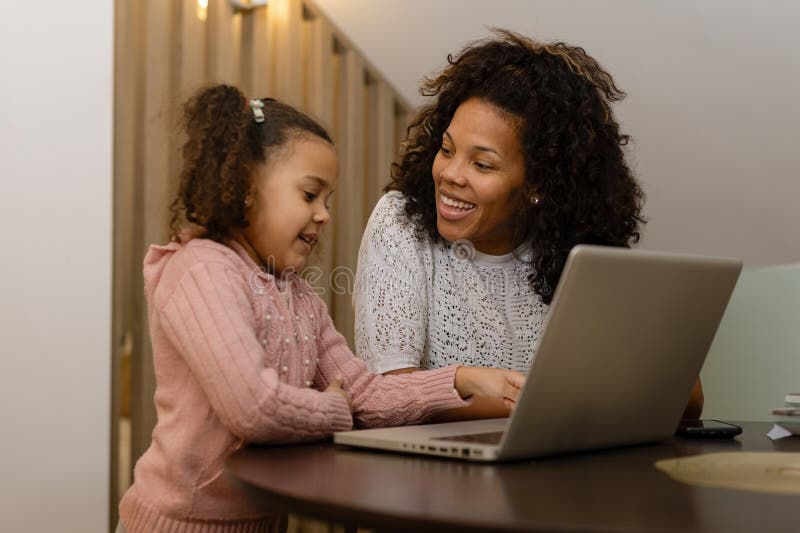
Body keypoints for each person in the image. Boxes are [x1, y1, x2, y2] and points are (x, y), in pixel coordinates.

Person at [117, 84, 526, 533]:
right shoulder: (201, 269)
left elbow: (367, 396)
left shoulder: (297, 295)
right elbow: (253, 408)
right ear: (246, 188)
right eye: (310, 195)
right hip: (180, 523)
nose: (324, 214)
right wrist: (333, 409)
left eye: (327, 200)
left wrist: (461, 378)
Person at [355, 30, 704, 421]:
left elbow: (687, 395)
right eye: (447, 150)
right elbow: (387, 397)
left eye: (482, 164)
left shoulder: (578, 247)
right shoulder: (402, 223)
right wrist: (556, 406)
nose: (450, 175)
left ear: (538, 183)